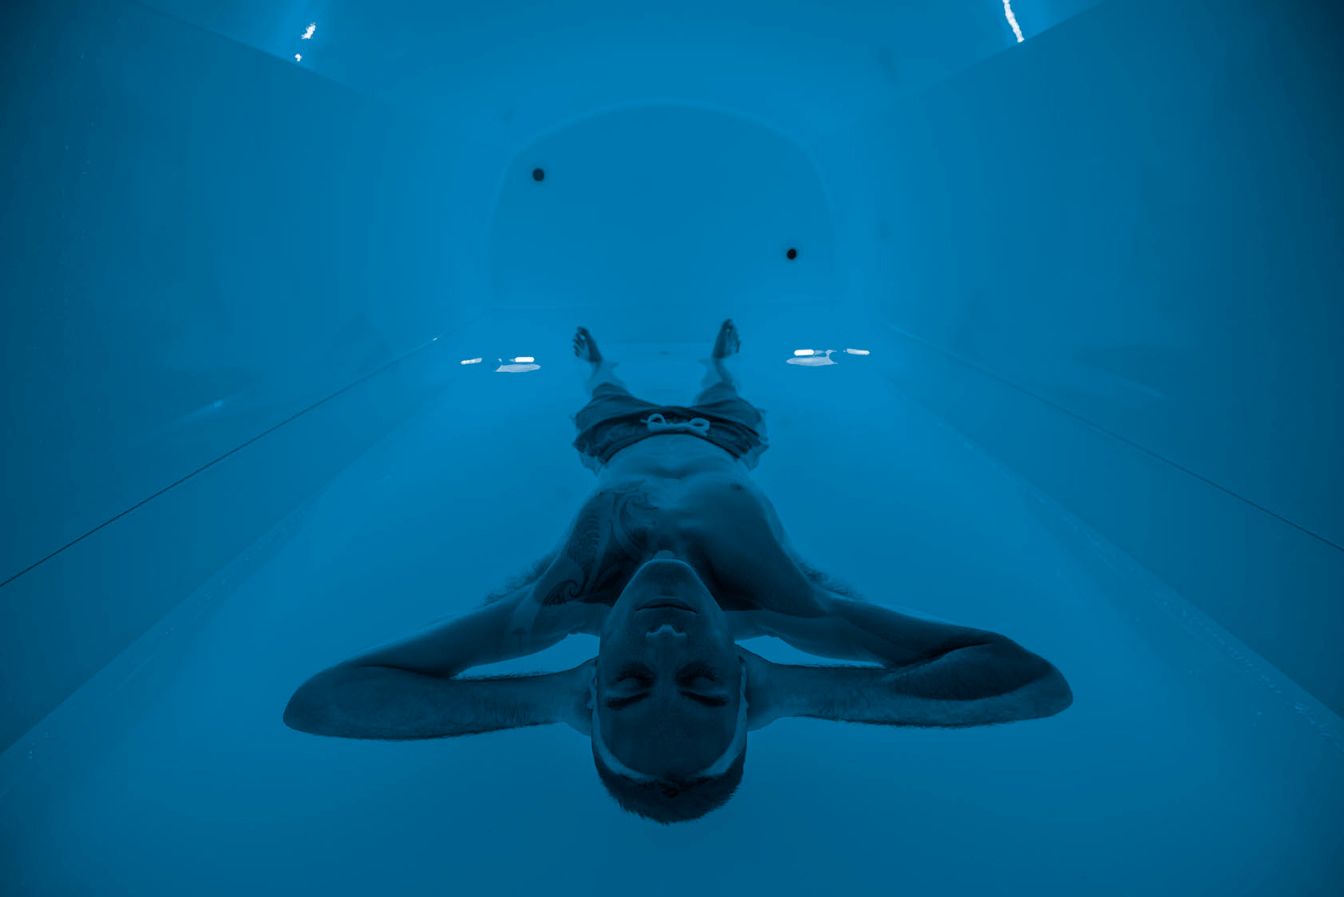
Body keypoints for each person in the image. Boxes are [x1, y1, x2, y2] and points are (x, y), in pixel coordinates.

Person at [284, 320, 1072, 823]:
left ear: (592, 681)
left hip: (618, 440)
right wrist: (806, 690)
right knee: (726, 389)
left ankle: (600, 361)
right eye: (701, 680)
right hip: (725, 443)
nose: (664, 639)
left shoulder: (553, 604)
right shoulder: (796, 608)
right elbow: (1033, 683)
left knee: (605, 387)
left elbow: (324, 702)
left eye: (629, 681)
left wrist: (543, 699)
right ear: (745, 676)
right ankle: (719, 361)